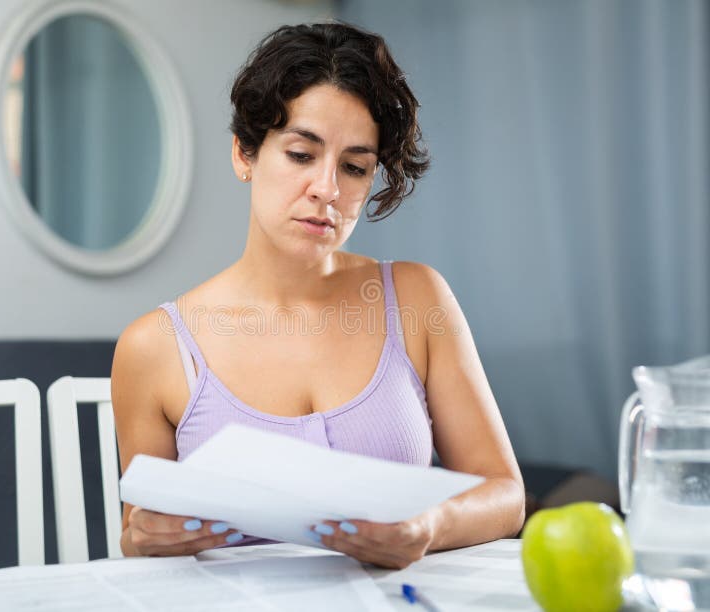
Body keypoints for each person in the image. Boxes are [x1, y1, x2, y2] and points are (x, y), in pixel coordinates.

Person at [111, 21, 525, 570]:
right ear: (245, 154)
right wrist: (144, 537)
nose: (327, 190)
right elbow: (139, 538)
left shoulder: (418, 298)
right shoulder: (154, 347)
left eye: (354, 167)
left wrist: (428, 526)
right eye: (302, 154)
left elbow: (505, 494)